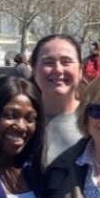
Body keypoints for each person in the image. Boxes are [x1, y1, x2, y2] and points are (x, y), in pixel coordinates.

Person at [32, 34, 84, 164]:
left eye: (66, 62)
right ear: (34, 72)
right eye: (48, 62)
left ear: (80, 71)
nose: (58, 70)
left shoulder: (99, 118)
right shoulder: (20, 121)